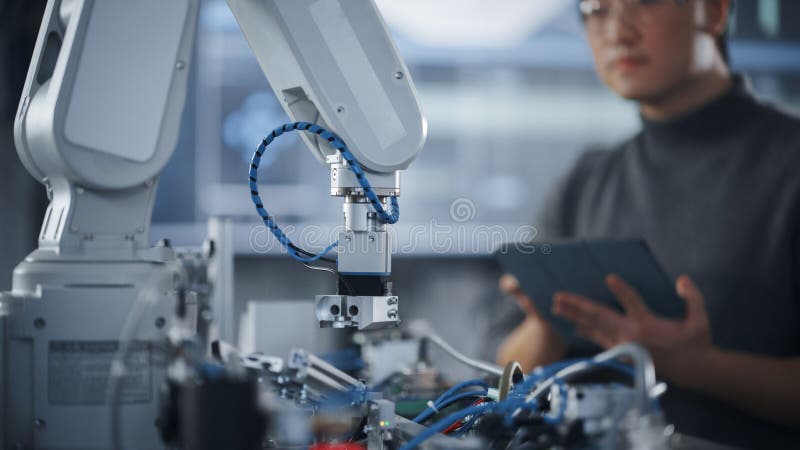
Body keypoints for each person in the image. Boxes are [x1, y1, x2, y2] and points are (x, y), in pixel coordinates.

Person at [492, 0, 800, 447]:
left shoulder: (788, 168)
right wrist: (548, 322)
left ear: (713, 13)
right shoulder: (585, 182)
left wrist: (696, 365)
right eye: (596, 9)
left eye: (644, 3)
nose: (617, 31)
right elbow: (503, 377)